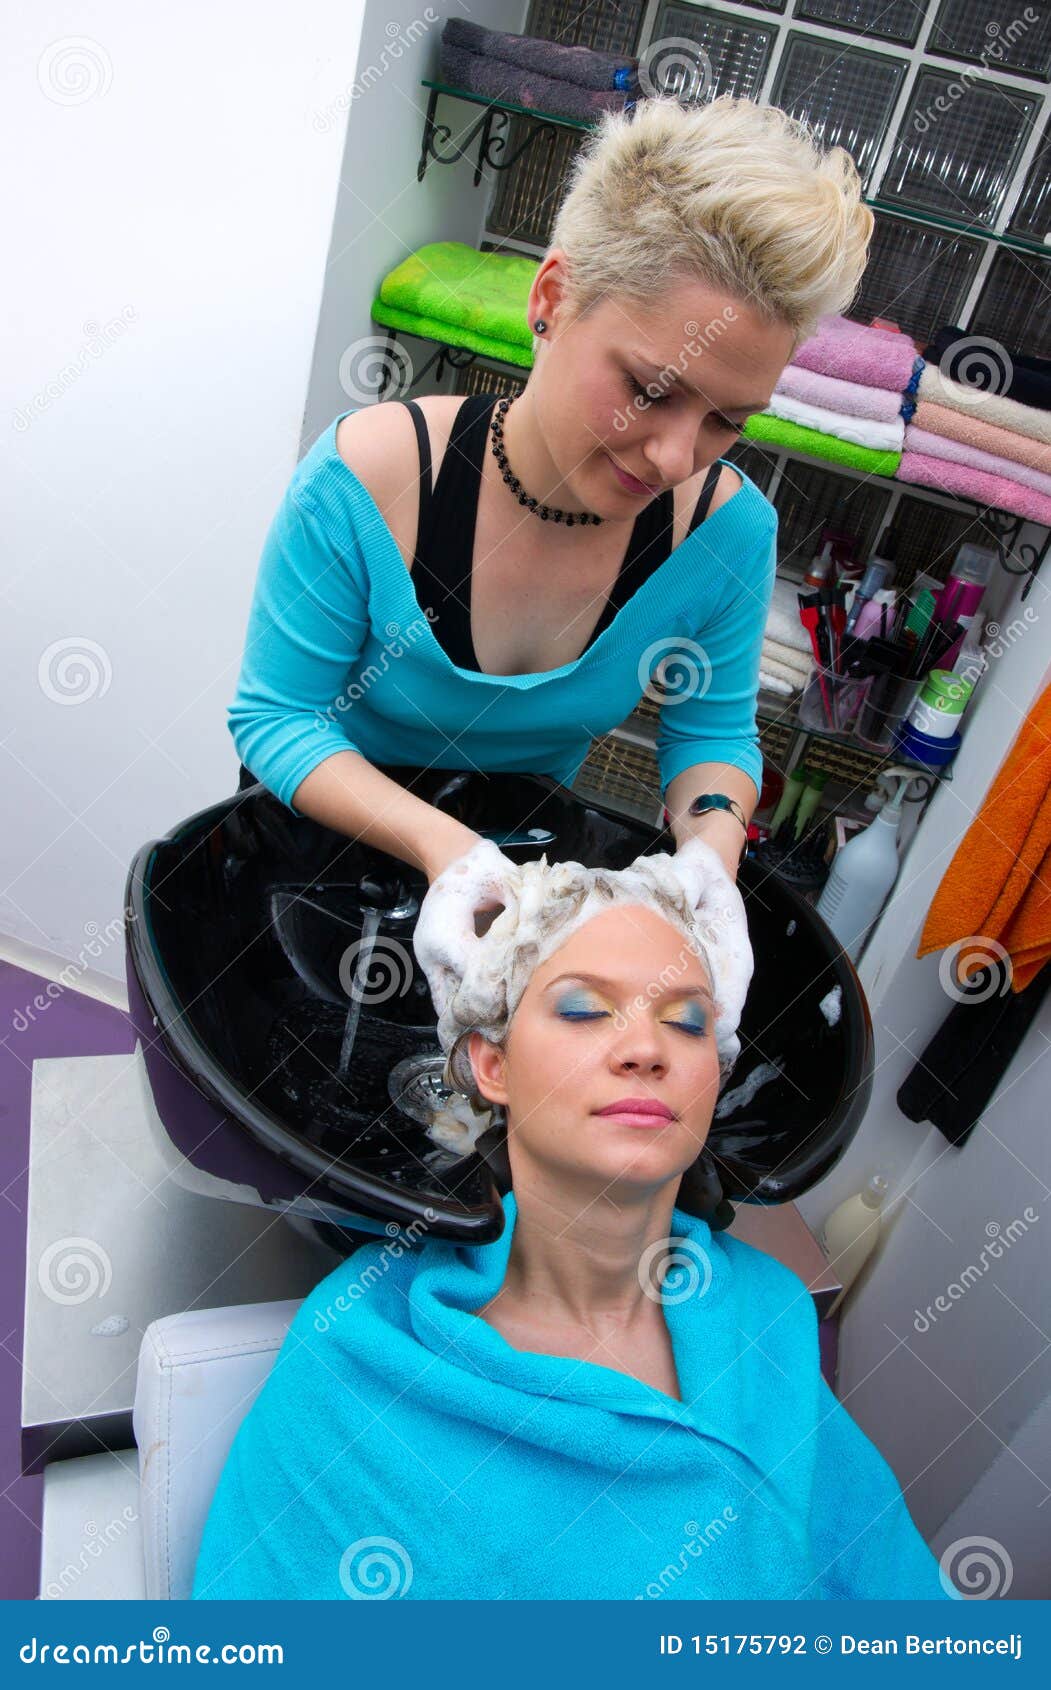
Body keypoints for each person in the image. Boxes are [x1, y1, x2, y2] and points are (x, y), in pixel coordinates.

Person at [191, 849, 958, 1601]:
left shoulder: (764, 1314)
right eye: (585, 1010)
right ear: (491, 1066)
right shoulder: (361, 1365)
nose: (646, 1048)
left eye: (687, 1023)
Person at [226, 93, 874, 970]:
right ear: (553, 297)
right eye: (650, 390)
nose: (678, 456)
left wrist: (709, 862)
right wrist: (446, 851)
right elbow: (279, 716)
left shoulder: (725, 533)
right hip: (309, 856)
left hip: (520, 879)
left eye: (728, 420)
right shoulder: (368, 482)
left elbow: (712, 737)